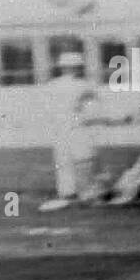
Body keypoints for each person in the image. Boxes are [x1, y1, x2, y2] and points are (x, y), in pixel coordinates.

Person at [38, 52, 98, 212]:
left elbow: (46, 109)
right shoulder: (85, 85)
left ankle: (67, 192)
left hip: (59, 127)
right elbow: (92, 106)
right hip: (77, 125)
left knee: (63, 161)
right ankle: (86, 193)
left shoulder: (51, 85)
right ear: (76, 68)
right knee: (83, 159)